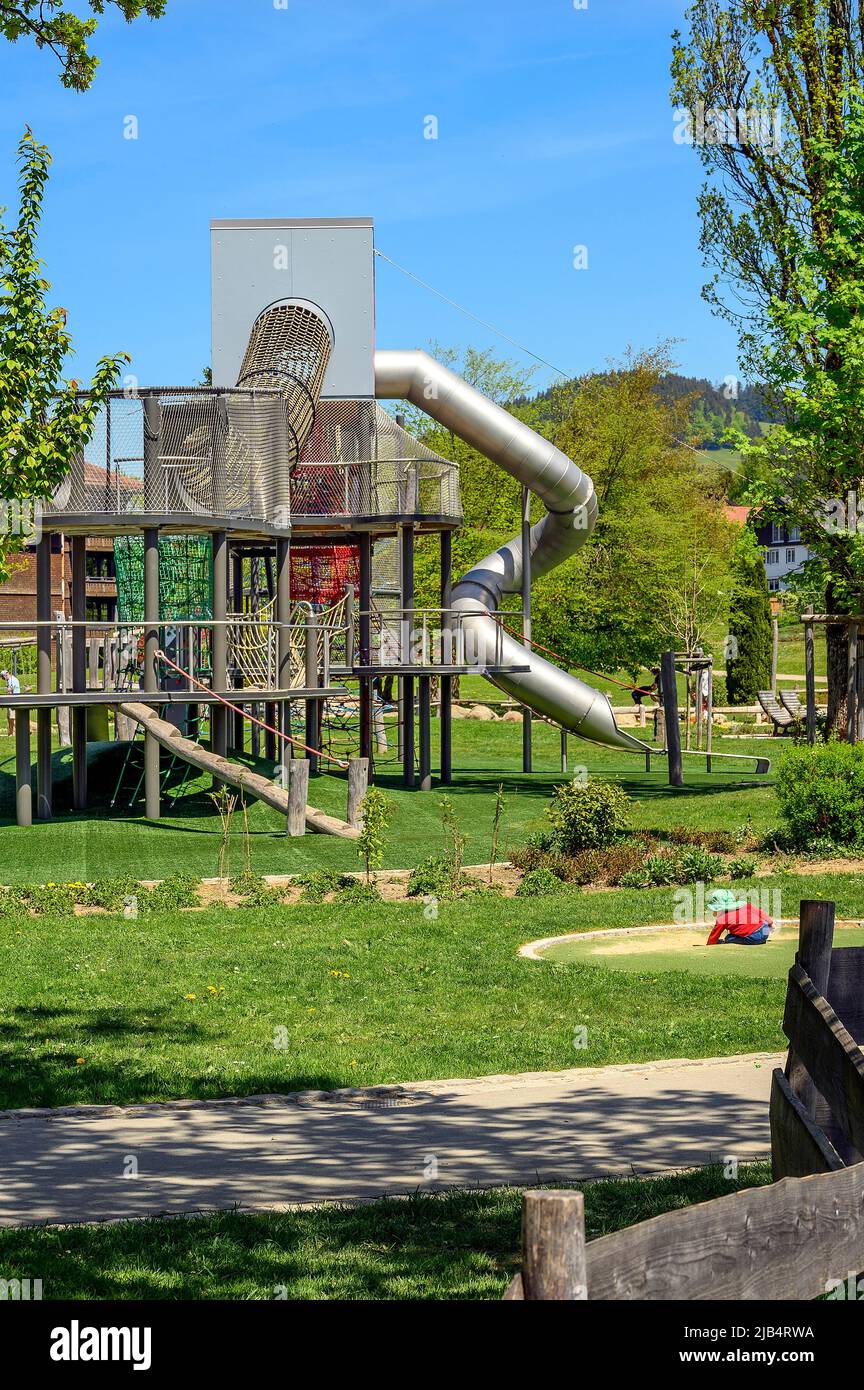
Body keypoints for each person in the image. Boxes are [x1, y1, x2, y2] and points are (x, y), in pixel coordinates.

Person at [705, 889, 774, 946]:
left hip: (753, 937)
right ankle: (762, 936)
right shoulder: (744, 905)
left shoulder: (722, 919)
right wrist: (770, 923)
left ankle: (755, 940)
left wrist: (710, 943)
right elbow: (762, 914)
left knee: (728, 937)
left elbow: (714, 935)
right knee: (762, 922)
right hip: (765, 931)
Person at [1, 668, 21, 735]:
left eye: (2, 677)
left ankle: (13, 732)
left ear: (5, 675)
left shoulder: (12, 680)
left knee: (12, 717)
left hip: (13, 700)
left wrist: (6, 690)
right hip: (11, 700)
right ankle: (10, 732)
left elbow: (10, 689)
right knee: (9, 717)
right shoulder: (11, 679)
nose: (2, 679)